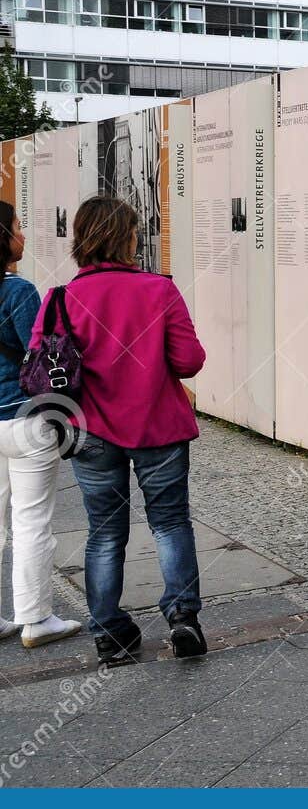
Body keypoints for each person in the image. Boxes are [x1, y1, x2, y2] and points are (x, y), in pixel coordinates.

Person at [35, 196, 206, 666]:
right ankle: (183, 619)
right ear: (126, 238)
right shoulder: (159, 290)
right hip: (158, 428)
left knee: (105, 533)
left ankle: (110, 633)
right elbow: (189, 361)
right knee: (170, 522)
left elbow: (41, 369)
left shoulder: (60, 300)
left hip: (90, 432)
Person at [0, 201, 82, 650]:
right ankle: (35, 619)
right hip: (23, 419)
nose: (23, 234)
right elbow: (39, 354)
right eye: (17, 226)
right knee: (31, 520)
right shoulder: (19, 291)